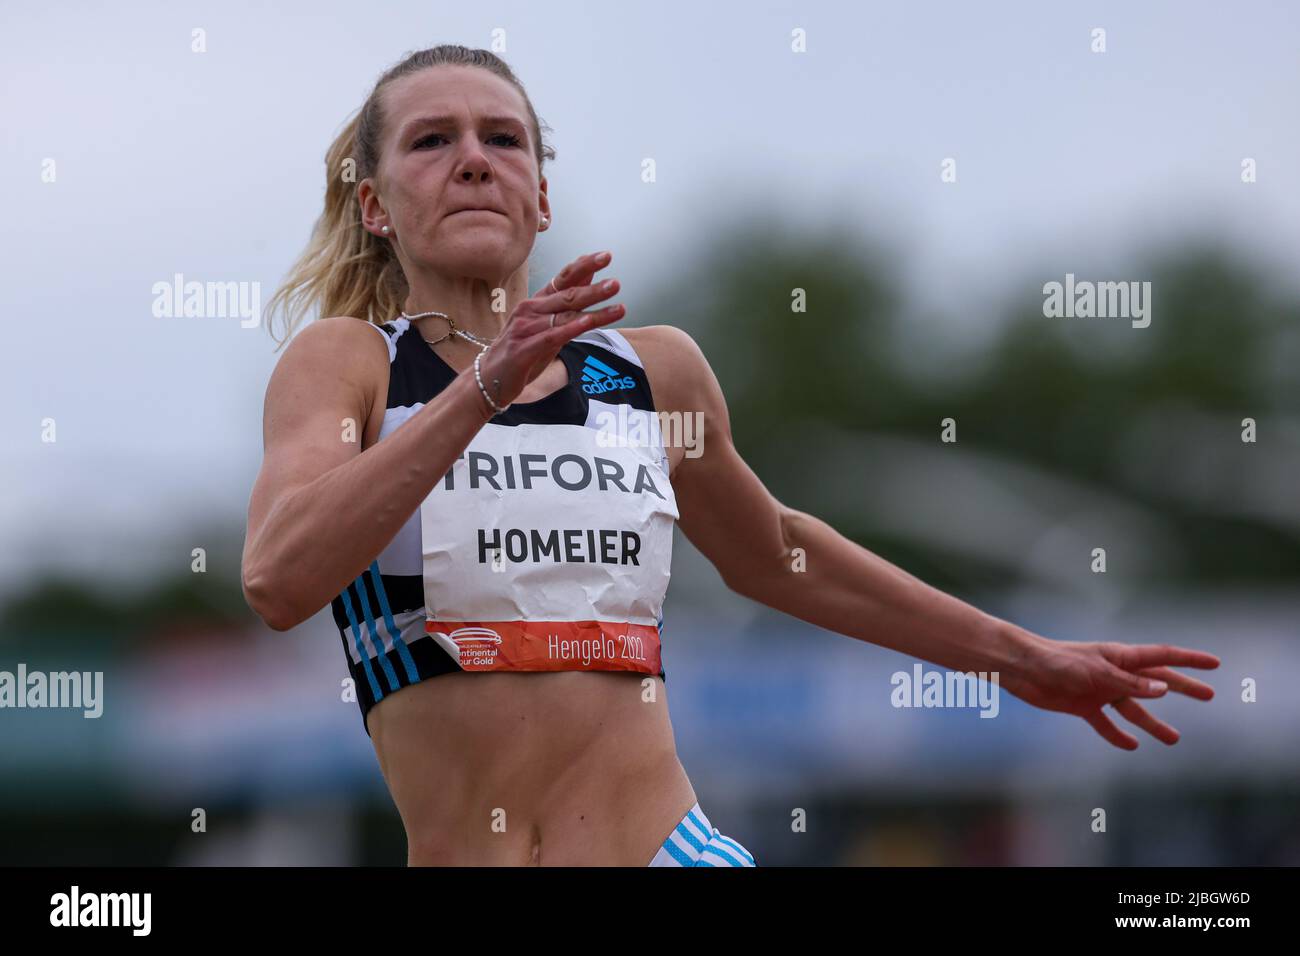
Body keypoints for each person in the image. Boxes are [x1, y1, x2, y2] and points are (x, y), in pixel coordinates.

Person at [241, 45, 1219, 867]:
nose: (472, 159)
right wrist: (481, 387)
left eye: (502, 139)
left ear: (540, 193)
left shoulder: (648, 373)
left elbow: (774, 551)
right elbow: (281, 576)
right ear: (374, 205)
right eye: (432, 140)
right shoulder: (348, 367)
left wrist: (1022, 656)